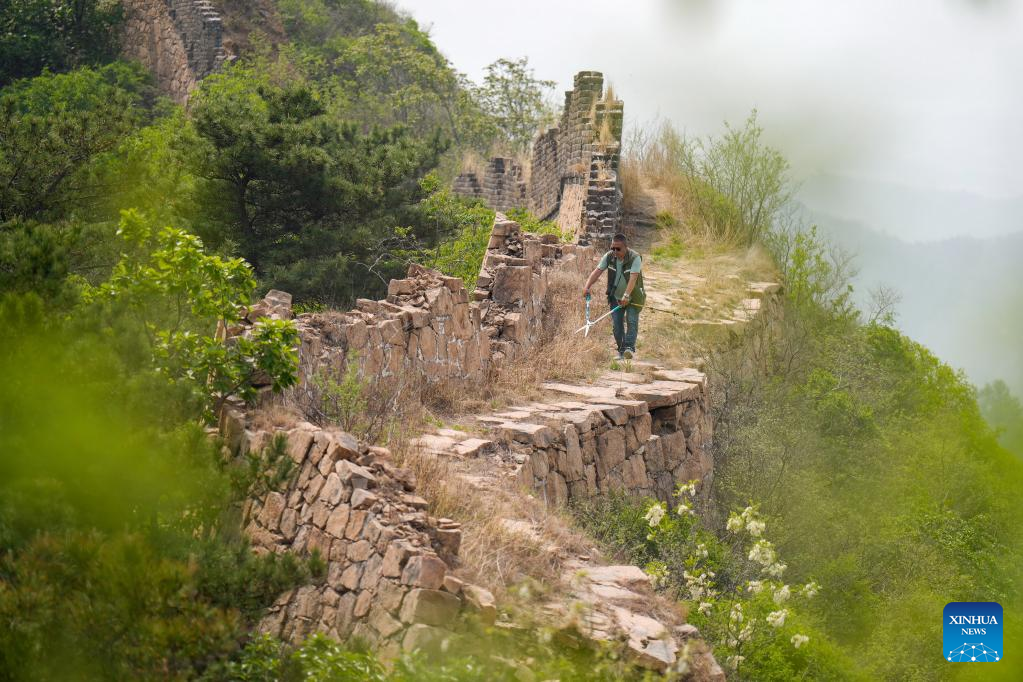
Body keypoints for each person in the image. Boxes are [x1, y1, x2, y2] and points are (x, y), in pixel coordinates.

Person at [582, 233, 645, 360]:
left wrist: (626, 296)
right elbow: (597, 271)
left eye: (618, 248)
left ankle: (629, 349)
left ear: (625, 247)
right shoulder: (609, 256)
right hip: (615, 297)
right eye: (612, 248)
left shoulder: (635, 258)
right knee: (617, 326)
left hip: (633, 297)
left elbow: (633, 278)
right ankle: (621, 351)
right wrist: (587, 286)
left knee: (632, 321)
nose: (615, 251)